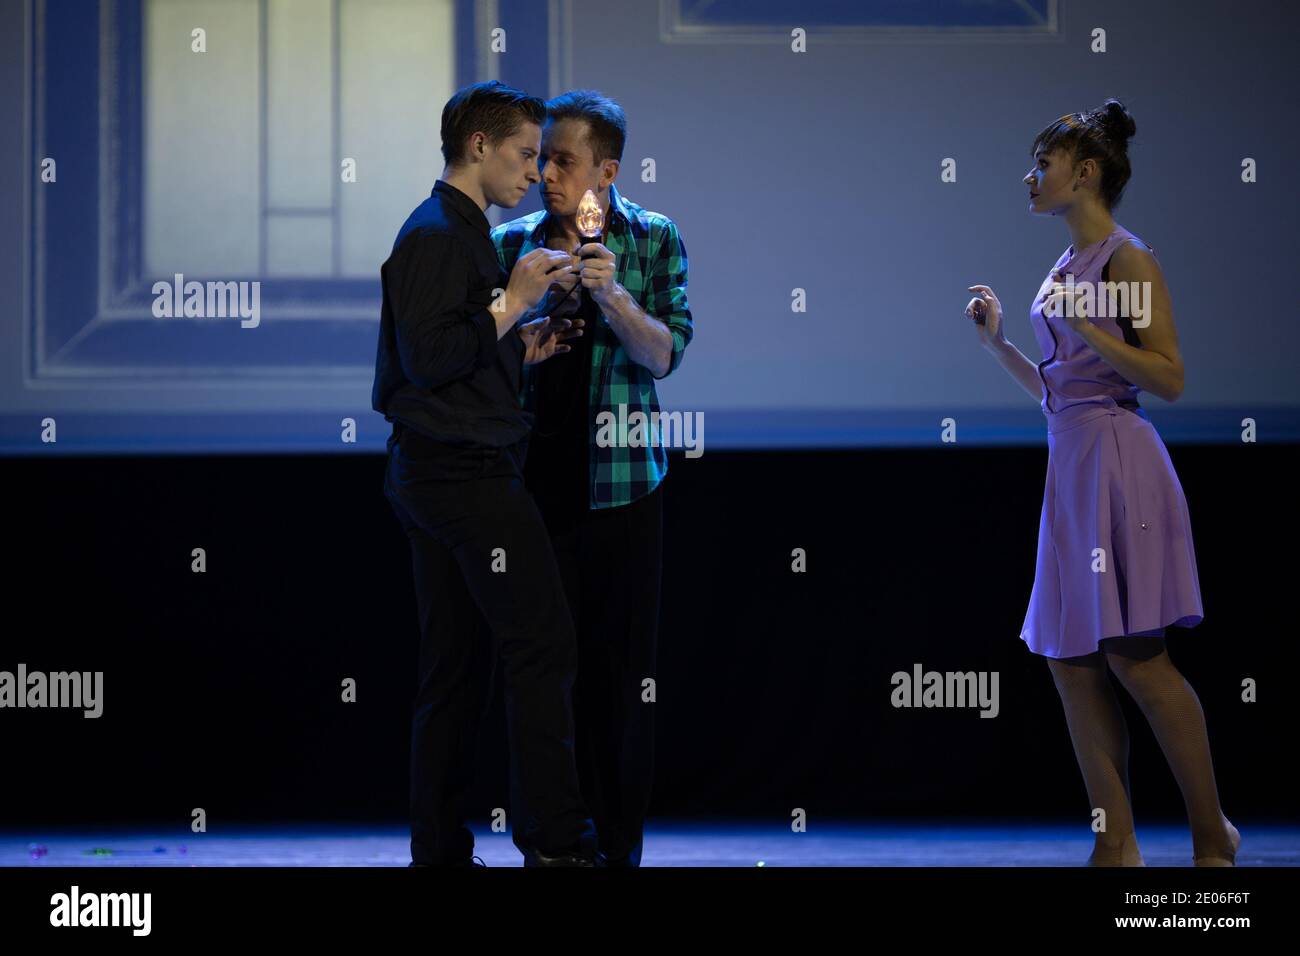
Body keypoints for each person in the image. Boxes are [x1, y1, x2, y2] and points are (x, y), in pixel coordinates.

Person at [964, 99, 1238, 867]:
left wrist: (1088, 325)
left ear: (1083, 174)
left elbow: (1170, 377)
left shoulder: (1126, 259)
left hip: (1121, 468)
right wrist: (1000, 347)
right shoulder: (1062, 267)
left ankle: (1212, 836)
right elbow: (1064, 392)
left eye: (1041, 163)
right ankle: (1114, 844)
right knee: (1070, 661)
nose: (1030, 175)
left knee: (1135, 658)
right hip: (1074, 464)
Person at [373, 80, 596, 867]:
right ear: (478, 147)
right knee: (542, 641)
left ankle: (439, 852)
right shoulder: (438, 232)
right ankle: (557, 842)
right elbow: (427, 359)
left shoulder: (461, 230)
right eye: (526, 154)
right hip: (459, 474)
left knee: (457, 665)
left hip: (439, 468)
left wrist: (516, 342)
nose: (536, 172)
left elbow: (452, 349)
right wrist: (516, 299)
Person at [493, 90, 694, 867]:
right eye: (542, 158)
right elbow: (485, 357)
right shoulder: (513, 240)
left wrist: (610, 293)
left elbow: (665, 356)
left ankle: (616, 852)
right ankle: (549, 847)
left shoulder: (653, 238)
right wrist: (529, 308)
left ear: (606, 171)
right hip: (529, 492)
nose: (545, 173)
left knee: (621, 685)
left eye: (564, 161)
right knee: (540, 680)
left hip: (623, 493)